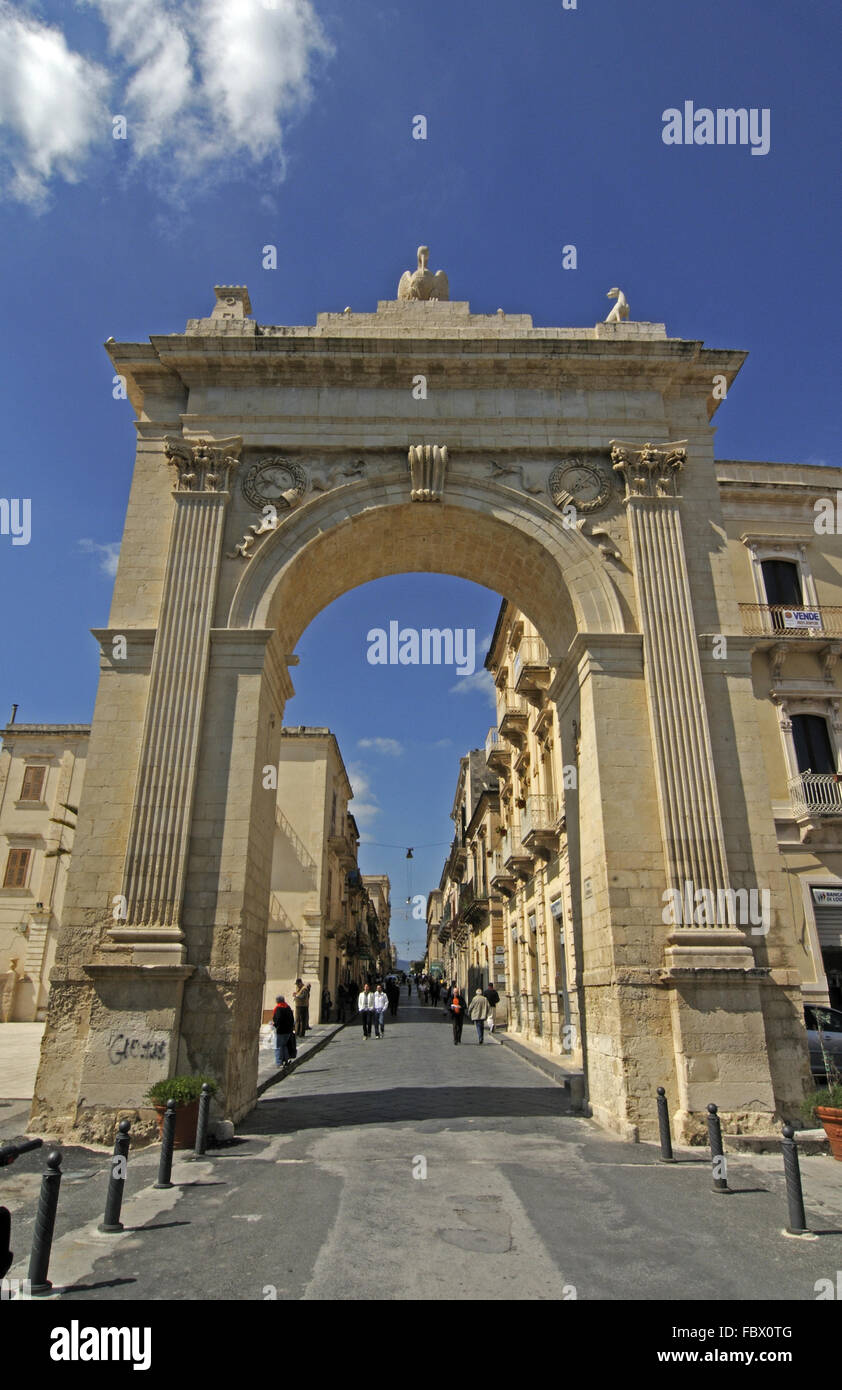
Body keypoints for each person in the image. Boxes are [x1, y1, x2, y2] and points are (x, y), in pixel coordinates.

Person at [271, 995, 295, 1068]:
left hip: (280, 1031)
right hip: (288, 1031)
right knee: (284, 1045)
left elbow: (278, 1020)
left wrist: (274, 1024)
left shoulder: (278, 1008)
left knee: (278, 1047)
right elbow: (292, 1019)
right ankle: (286, 1060)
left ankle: (279, 1062)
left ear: (277, 1001)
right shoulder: (288, 1007)